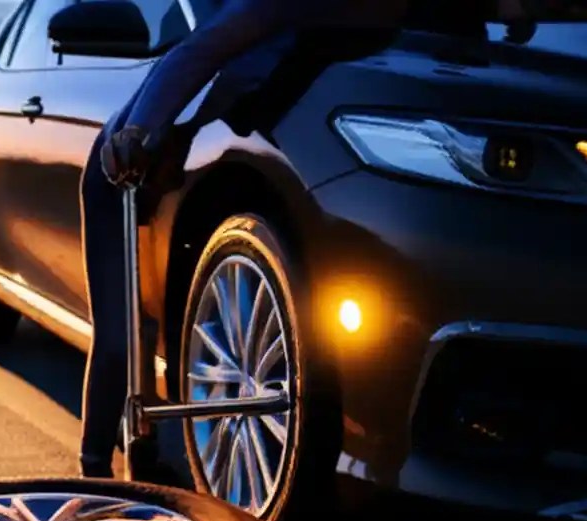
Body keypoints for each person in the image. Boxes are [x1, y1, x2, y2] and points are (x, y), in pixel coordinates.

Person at [76, 0, 416, 479]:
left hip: (184, 145)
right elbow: (201, 50)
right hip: (128, 156)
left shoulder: (393, 20)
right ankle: (93, 473)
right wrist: (138, 132)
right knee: (121, 336)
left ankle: (142, 461)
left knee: (144, 337)